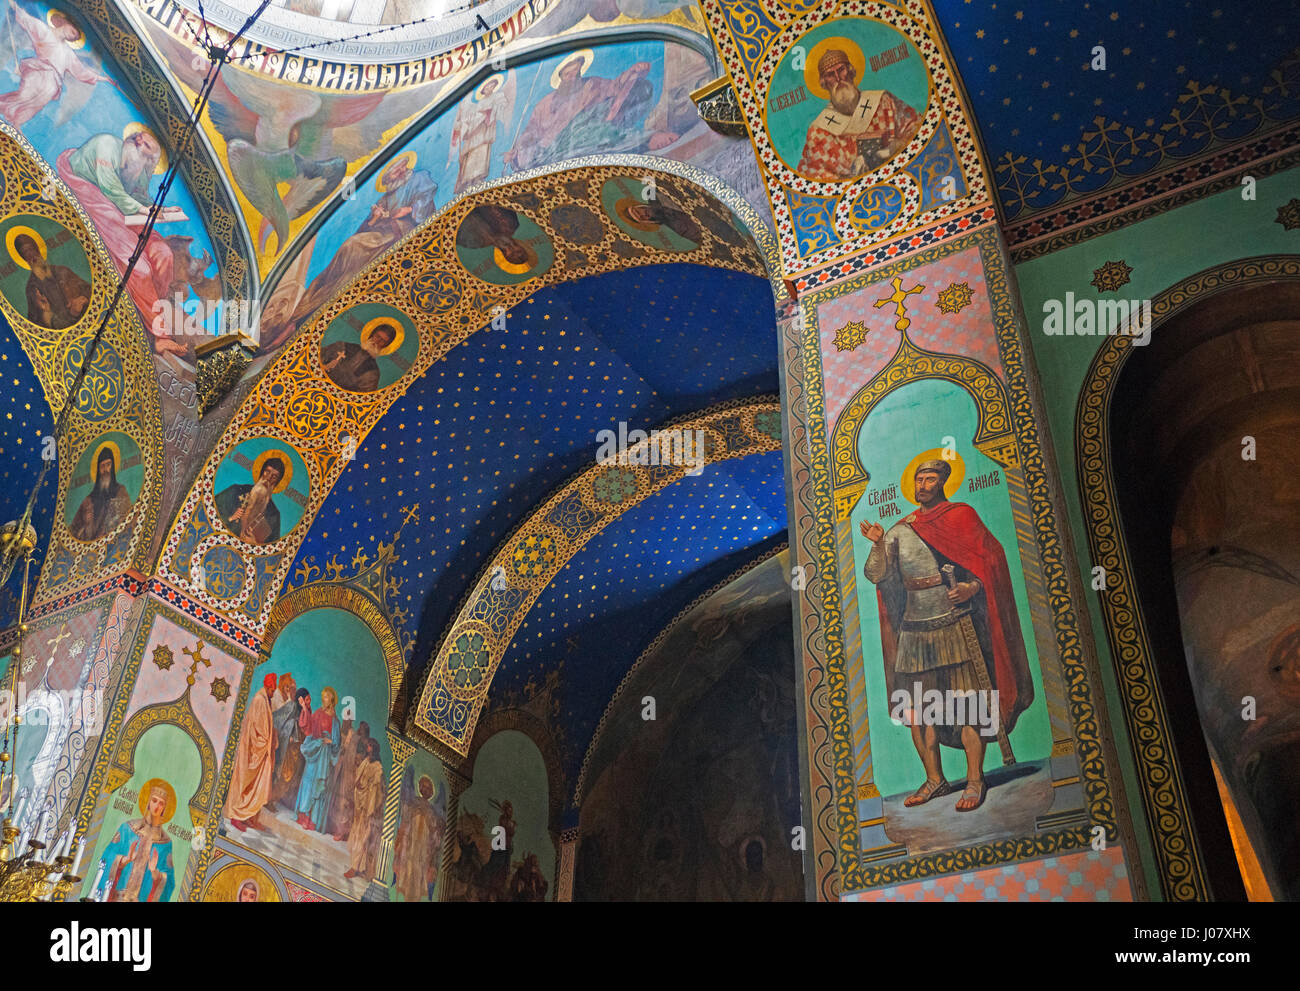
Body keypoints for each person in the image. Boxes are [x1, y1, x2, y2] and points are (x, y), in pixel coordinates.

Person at [860, 459, 1033, 812]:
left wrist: (972, 587)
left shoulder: (961, 516)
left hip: (955, 623)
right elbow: (875, 575)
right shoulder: (899, 529)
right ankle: (935, 779)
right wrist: (877, 544)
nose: (923, 484)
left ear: (942, 483)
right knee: (919, 711)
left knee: (966, 704)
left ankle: (974, 780)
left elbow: (990, 560)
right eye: (919, 479)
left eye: (931, 479)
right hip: (913, 629)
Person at [57, 130, 189, 351]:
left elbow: (140, 198)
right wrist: (145, 210)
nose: (147, 163)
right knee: (138, 267)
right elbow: (110, 189)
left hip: (123, 209)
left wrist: (163, 210)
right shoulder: (106, 144)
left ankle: (151, 305)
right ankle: (160, 335)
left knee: (163, 254)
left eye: (151, 160)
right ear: (136, 141)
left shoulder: (139, 167)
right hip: (89, 193)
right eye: (146, 154)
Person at [289, 155, 436, 328]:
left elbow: (427, 197)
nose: (402, 171)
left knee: (354, 246)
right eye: (396, 172)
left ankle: (334, 288)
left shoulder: (420, 178)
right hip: (381, 235)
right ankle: (324, 292)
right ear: (390, 178)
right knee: (349, 245)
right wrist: (375, 219)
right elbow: (366, 227)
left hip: (404, 232)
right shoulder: (385, 199)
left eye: (402, 167)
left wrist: (410, 209)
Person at [505, 54, 654, 172]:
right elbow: (530, 133)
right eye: (567, 74)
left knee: (608, 130)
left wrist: (633, 71)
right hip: (553, 147)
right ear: (560, 77)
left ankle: (645, 141)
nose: (572, 77)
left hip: (586, 133)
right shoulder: (544, 104)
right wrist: (516, 152)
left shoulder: (591, 84)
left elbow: (615, 87)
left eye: (576, 73)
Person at [796, 48, 922, 181]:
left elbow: (916, 129)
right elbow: (813, 177)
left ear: (850, 71)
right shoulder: (818, 132)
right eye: (830, 75)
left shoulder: (883, 101)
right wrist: (851, 175)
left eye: (841, 70)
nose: (838, 79)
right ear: (824, 83)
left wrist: (893, 149)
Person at [0, 8, 110, 126]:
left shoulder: (68, 53)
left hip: (53, 82)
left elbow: (81, 72)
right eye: (73, 31)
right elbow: (29, 22)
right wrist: (17, 10)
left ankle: (17, 123)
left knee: (37, 105)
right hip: (39, 71)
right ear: (64, 22)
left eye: (75, 37)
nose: (74, 36)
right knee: (24, 95)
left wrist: (103, 78)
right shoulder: (45, 32)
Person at [99, 779, 176, 902]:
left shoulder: (165, 843)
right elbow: (107, 857)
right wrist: (124, 860)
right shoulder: (127, 829)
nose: (157, 806)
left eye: (161, 803)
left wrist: (155, 873)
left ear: (164, 809)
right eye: (154, 800)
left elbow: (170, 882)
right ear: (148, 802)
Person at [226, 672, 277, 832]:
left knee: (256, 786)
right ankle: (236, 816)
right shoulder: (260, 700)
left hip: (258, 750)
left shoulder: (265, 699)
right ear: (268, 687)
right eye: (272, 690)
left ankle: (248, 817)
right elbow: (261, 730)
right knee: (244, 783)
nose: (273, 693)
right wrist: (270, 740)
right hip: (252, 750)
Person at [11, 232, 90, 329]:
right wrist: (46, 313)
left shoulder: (62, 271)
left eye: (31, 249)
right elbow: (35, 323)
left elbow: (89, 290)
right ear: (24, 258)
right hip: (65, 333)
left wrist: (83, 298)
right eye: (25, 252)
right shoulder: (32, 288)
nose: (31, 255)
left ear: (37, 250)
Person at [392, 771, 445, 901]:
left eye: (428, 788)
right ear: (420, 788)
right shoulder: (413, 803)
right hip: (411, 844)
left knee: (418, 872)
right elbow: (405, 819)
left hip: (422, 849)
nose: (425, 790)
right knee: (408, 870)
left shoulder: (432, 810)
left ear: (431, 792)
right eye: (424, 787)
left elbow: (434, 831)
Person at [295, 686, 340, 831]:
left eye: (326, 696)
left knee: (318, 785)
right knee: (308, 782)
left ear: (332, 699)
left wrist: (330, 742)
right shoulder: (318, 713)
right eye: (323, 696)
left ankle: (312, 820)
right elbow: (308, 727)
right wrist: (303, 708)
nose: (323, 699)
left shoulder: (335, 720)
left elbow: (337, 742)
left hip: (324, 755)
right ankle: (303, 816)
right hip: (314, 750)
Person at [215, 456, 285, 545]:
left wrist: (254, 543)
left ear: (276, 483)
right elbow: (211, 508)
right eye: (267, 471)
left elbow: (272, 548)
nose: (268, 478)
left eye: (274, 476)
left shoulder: (274, 515)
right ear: (261, 472)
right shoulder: (236, 490)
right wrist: (230, 518)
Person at [69, 445, 133, 541]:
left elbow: (129, 521)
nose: (105, 470)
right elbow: (72, 533)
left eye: (108, 464)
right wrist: (86, 525)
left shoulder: (121, 492)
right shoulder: (88, 501)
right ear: (98, 470)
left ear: (113, 466)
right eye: (102, 466)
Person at [344, 738, 384, 880]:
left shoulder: (377, 766)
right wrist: (359, 786)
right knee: (358, 833)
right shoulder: (366, 761)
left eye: (370, 747)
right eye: (367, 746)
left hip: (368, 805)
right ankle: (357, 866)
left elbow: (376, 785)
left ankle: (355, 868)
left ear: (374, 749)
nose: (368, 749)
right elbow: (358, 778)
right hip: (360, 802)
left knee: (363, 836)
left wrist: (368, 787)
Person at [320, 321, 396, 393]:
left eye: (383, 341)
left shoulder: (373, 373)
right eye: (377, 336)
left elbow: (360, 397)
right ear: (372, 335)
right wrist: (324, 366)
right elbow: (317, 357)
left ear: (385, 346)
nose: (377, 341)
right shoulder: (342, 346)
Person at [325, 720, 369, 840]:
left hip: (351, 776)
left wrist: (356, 761)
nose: (359, 730)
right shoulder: (353, 736)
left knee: (345, 803)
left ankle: (341, 831)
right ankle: (331, 826)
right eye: (359, 728)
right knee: (336, 798)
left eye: (362, 729)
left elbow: (360, 760)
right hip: (343, 771)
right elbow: (344, 748)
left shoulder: (363, 743)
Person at [456, 204, 532, 269]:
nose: (512, 249)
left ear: (504, 255)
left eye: (511, 254)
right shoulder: (512, 224)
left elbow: (457, 230)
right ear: (521, 246)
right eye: (518, 250)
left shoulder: (476, 243)